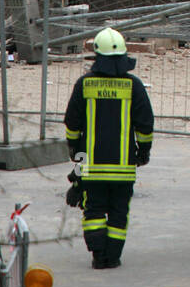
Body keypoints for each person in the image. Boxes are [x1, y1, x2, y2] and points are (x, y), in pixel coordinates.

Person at [63, 27, 153, 269]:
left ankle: (98, 254)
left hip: (89, 166)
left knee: (93, 211)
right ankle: (112, 256)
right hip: (123, 168)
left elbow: (72, 123)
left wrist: (75, 150)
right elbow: (145, 125)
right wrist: (143, 151)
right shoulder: (133, 85)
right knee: (118, 214)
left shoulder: (84, 84)